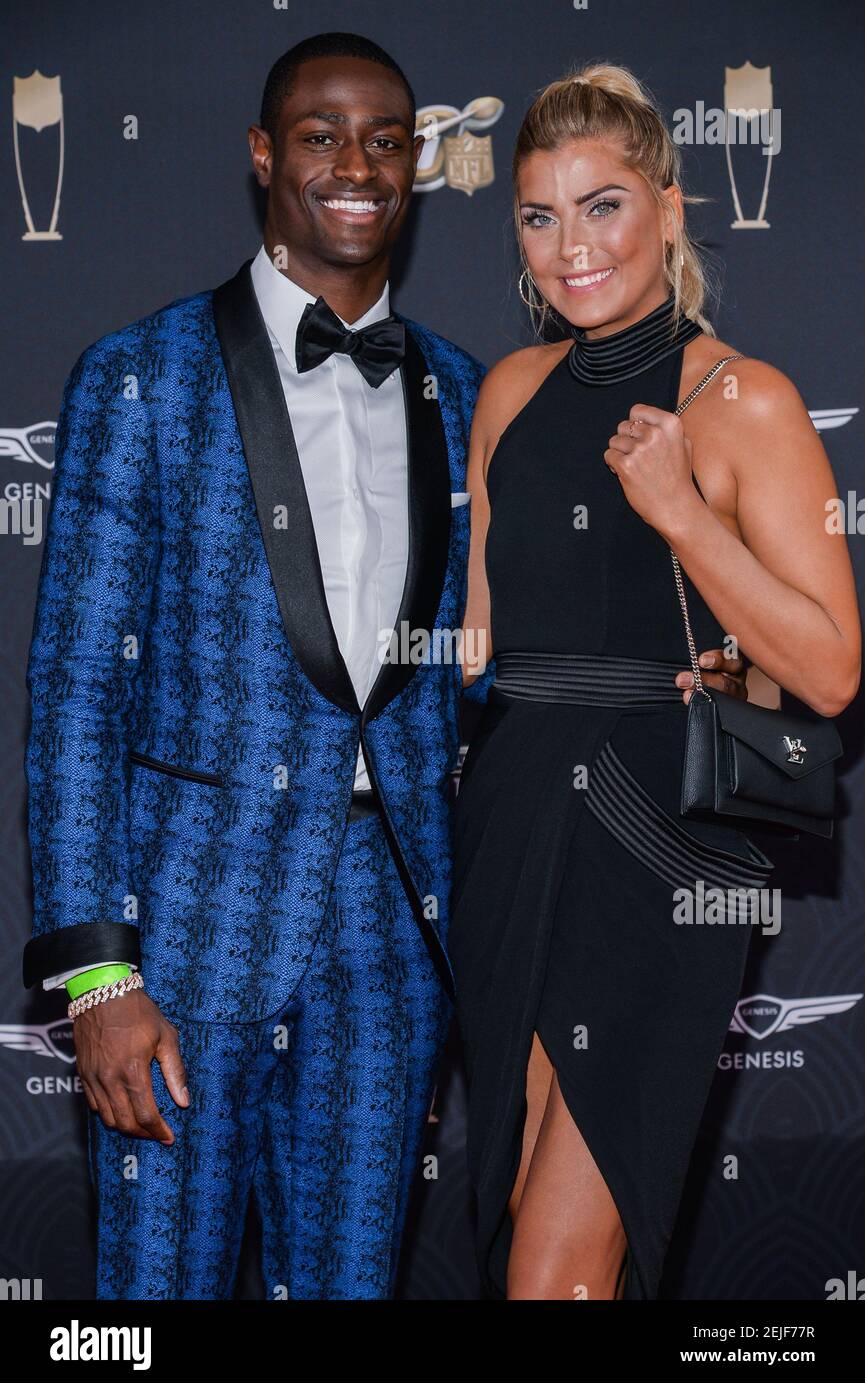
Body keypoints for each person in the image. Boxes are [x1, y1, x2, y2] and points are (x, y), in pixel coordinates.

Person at [21, 34, 748, 1301]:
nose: (357, 165)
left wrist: (702, 669)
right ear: (263, 155)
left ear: (417, 167)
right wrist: (98, 973)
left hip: (396, 942)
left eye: (386, 141)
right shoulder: (140, 378)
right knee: (152, 1300)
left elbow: (507, 662)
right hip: (185, 940)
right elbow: (77, 690)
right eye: (321, 135)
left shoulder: (474, 397)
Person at [450, 62, 860, 1301]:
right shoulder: (510, 392)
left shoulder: (742, 400)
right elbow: (482, 646)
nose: (571, 248)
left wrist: (683, 516)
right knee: (525, 1203)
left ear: (671, 209)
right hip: (514, 824)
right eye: (540, 214)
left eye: (604, 205)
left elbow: (833, 670)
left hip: (658, 844)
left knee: (564, 1254)